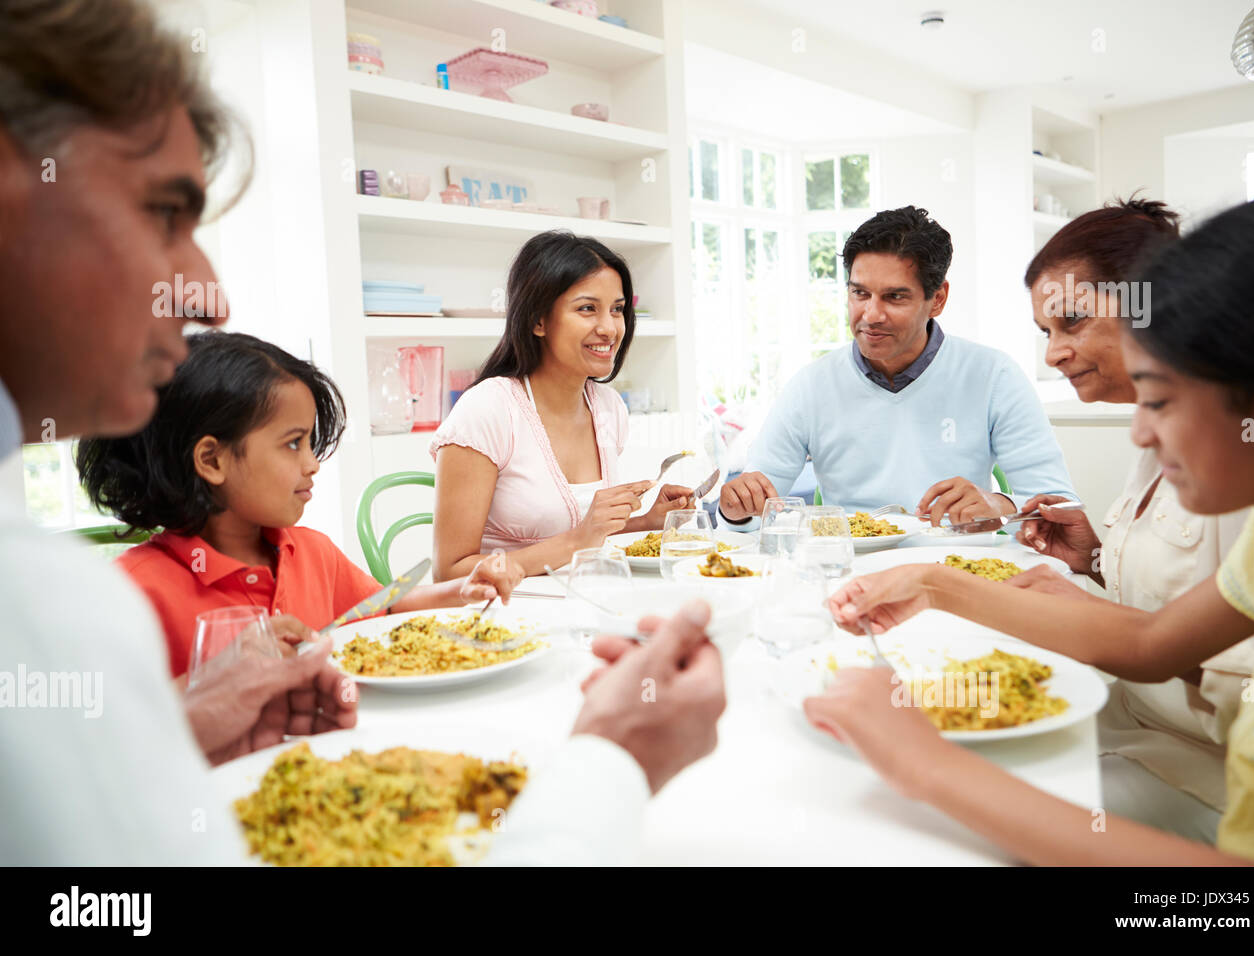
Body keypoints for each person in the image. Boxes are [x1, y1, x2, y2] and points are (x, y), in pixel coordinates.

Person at [0, 0, 725, 865]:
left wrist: (178, 733)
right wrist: (615, 757)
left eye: (619, 309)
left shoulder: (284, 556)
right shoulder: (62, 606)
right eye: (164, 213)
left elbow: (379, 605)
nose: (204, 293)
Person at [812, 191, 1254, 864]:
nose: (1140, 429)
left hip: (1184, 763)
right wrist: (935, 582)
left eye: (1162, 399)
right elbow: (1155, 638)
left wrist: (927, 767)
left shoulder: (1250, 499)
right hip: (1136, 726)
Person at [1010, 196, 1252, 842]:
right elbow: (1181, 595)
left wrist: (1086, 618)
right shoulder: (1152, 432)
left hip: (1206, 770)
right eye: (1046, 333)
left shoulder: (1239, 453)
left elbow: (1228, 670)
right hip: (1128, 722)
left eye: (1072, 322)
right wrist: (1094, 556)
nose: (1054, 354)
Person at [76, 330, 525, 679]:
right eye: (292, 444)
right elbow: (108, 731)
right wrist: (215, 677)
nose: (312, 463)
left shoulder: (311, 552)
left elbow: (381, 610)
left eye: (310, 442)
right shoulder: (132, 593)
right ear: (211, 459)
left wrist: (455, 592)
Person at [717, 206, 1077, 530]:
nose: (871, 315)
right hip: (849, 577)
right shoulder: (812, 385)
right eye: (860, 294)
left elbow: (1058, 505)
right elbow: (753, 513)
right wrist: (736, 510)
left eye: (895, 296)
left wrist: (998, 505)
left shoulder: (992, 375)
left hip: (955, 572)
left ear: (937, 299)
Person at [431, 231, 694, 579]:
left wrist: (647, 521)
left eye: (617, 310)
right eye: (587, 309)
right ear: (538, 320)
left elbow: (586, 539)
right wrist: (578, 540)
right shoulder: (488, 410)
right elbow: (449, 572)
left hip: (579, 601)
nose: (610, 328)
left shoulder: (607, 408)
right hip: (503, 614)